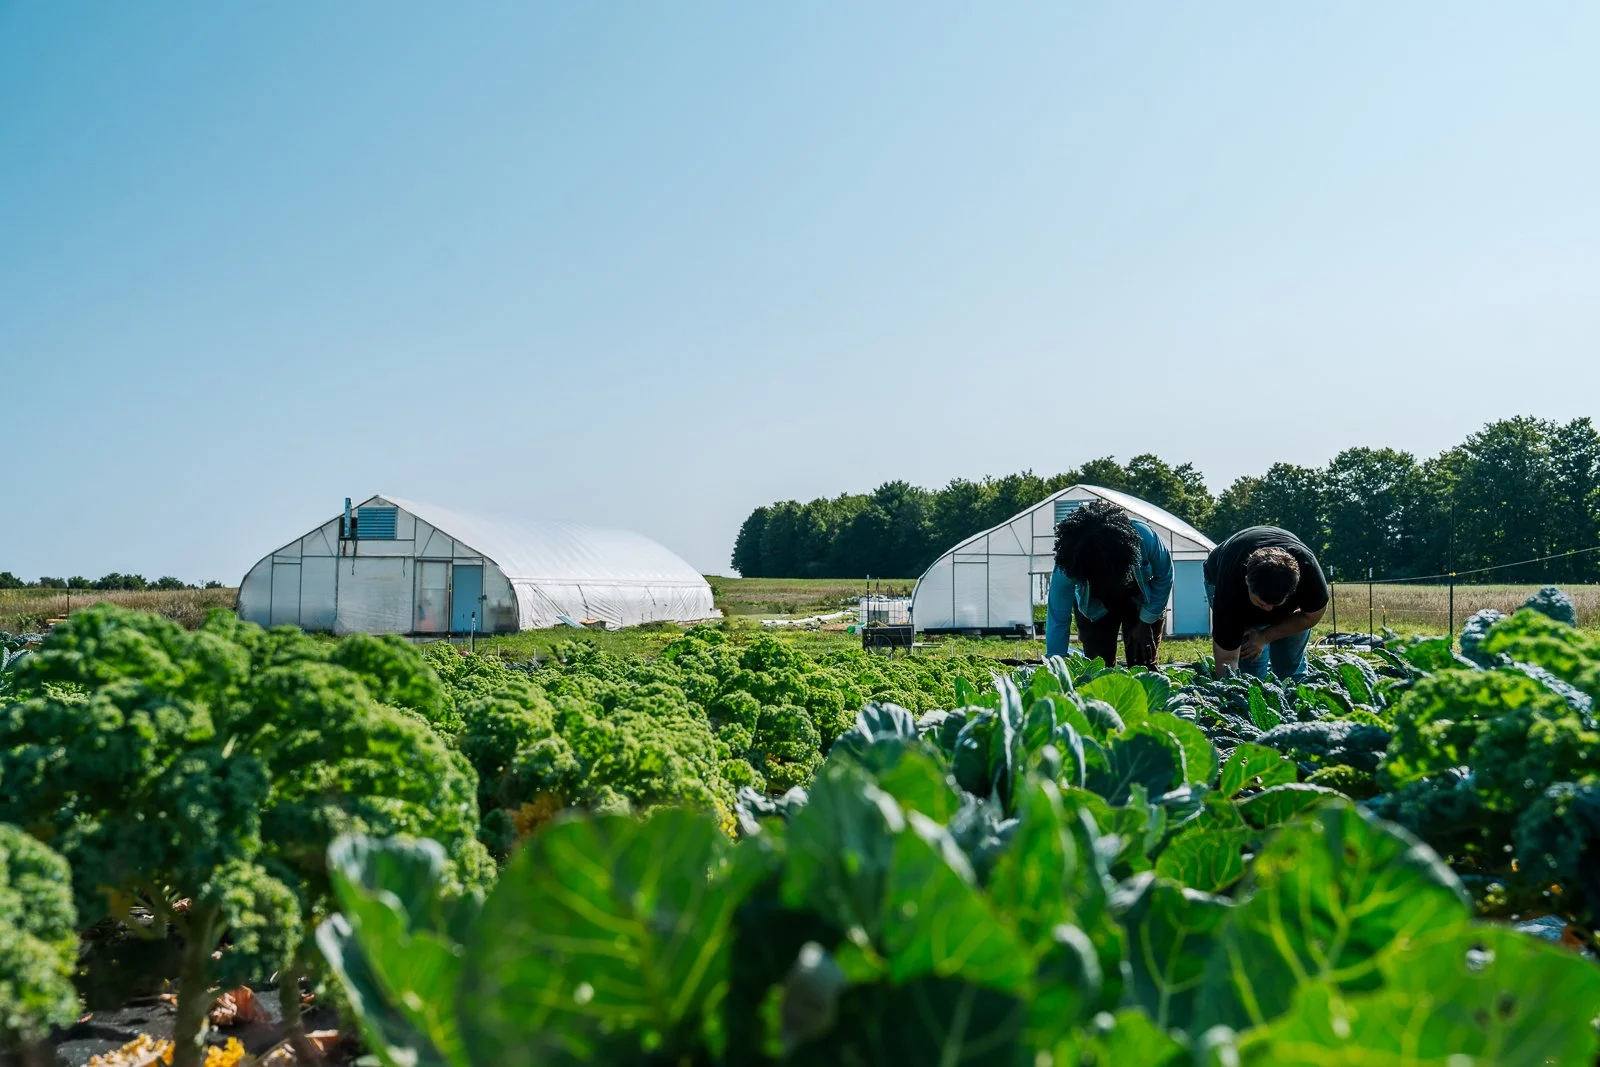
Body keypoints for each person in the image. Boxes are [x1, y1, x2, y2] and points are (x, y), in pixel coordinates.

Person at [1045, 499, 1174, 667]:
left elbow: (1164, 577)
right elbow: (1058, 617)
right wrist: (1056, 665)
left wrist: (1145, 622)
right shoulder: (1069, 563)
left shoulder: (1145, 539)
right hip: (1095, 604)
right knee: (1098, 664)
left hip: (1139, 600)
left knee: (1143, 661)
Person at [1205, 525, 1329, 680]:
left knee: (1290, 665)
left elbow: (1311, 616)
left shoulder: (1308, 571)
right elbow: (1227, 658)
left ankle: (1294, 699)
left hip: (1290, 608)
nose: (1268, 610)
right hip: (1222, 571)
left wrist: (1265, 637)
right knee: (1250, 668)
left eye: (1276, 605)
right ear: (1247, 582)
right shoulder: (1230, 589)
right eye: (1262, 604)